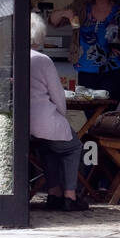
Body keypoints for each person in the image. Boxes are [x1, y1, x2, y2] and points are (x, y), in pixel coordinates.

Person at [29, 12, 88, 211]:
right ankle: (70, 195)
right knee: (72, 145)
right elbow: (58, 96)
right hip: (44, 121)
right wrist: (62, 116)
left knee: (47, 148)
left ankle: (53, 192)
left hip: (25, 126)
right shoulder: (43, 60)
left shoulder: (13, 57)